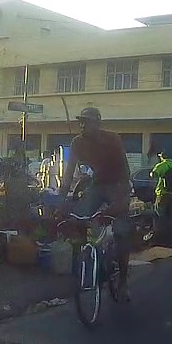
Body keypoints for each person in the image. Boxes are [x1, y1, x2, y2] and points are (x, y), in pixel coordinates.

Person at [61, 107, 134, 302]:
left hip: (118, 185)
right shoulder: (77, 142)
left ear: (98, 124)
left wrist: (121, 201)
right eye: (81, 121)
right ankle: (85, 258)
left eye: (87, 121)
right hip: (97, 185)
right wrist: (61, 199)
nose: (82, 125)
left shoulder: (112, 139)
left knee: (121, 231)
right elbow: (69, 173)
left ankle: (123, 282)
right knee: (79, 216)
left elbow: (125, 171)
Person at [149, 149, 172, 248]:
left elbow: (153, 175)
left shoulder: (161, 166)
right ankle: (170, 240)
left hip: (162, 195)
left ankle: (159, 240)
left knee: (159, 217)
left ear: (162, 156)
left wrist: (153, 174)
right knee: (170, 219)